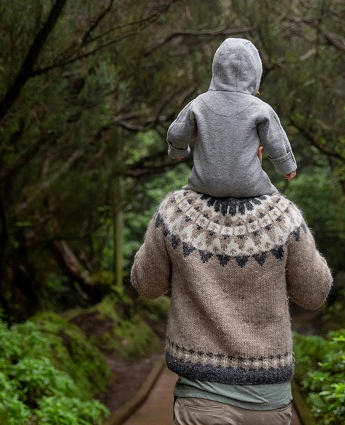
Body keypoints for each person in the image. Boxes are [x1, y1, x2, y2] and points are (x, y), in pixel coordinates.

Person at [130, 189, 333, 424]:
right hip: (268, 401)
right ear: (259, 152)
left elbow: (147, 285)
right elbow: (315, 293)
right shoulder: (282, 214)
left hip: (202, 399)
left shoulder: (175, 210)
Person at [167, 37, 297, 199]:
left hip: (204, 184)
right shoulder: (260, 108)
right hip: (250, 185)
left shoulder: (199, 103)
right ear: (255, 73)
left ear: (216, 68)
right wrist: (287, 167)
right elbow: (276, 141)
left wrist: (177, 151)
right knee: (278, 205)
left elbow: (177, 133)